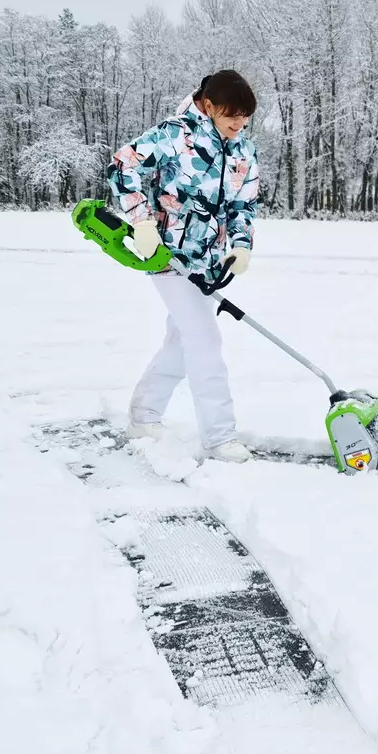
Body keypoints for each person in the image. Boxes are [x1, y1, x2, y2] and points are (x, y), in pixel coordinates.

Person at [106, 69, 260, 462]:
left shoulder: (243, 150)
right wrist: (141, 220)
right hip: (168, 257)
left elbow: (244, 205)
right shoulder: (175, 135)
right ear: (209, 106)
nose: (238, 126)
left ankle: (144, 415)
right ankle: (220, 437)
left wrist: (240, 247)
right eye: (231, 119)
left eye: (245, 119)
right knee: (204, 340)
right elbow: (124, 165)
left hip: (208, 263)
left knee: (182, 342)